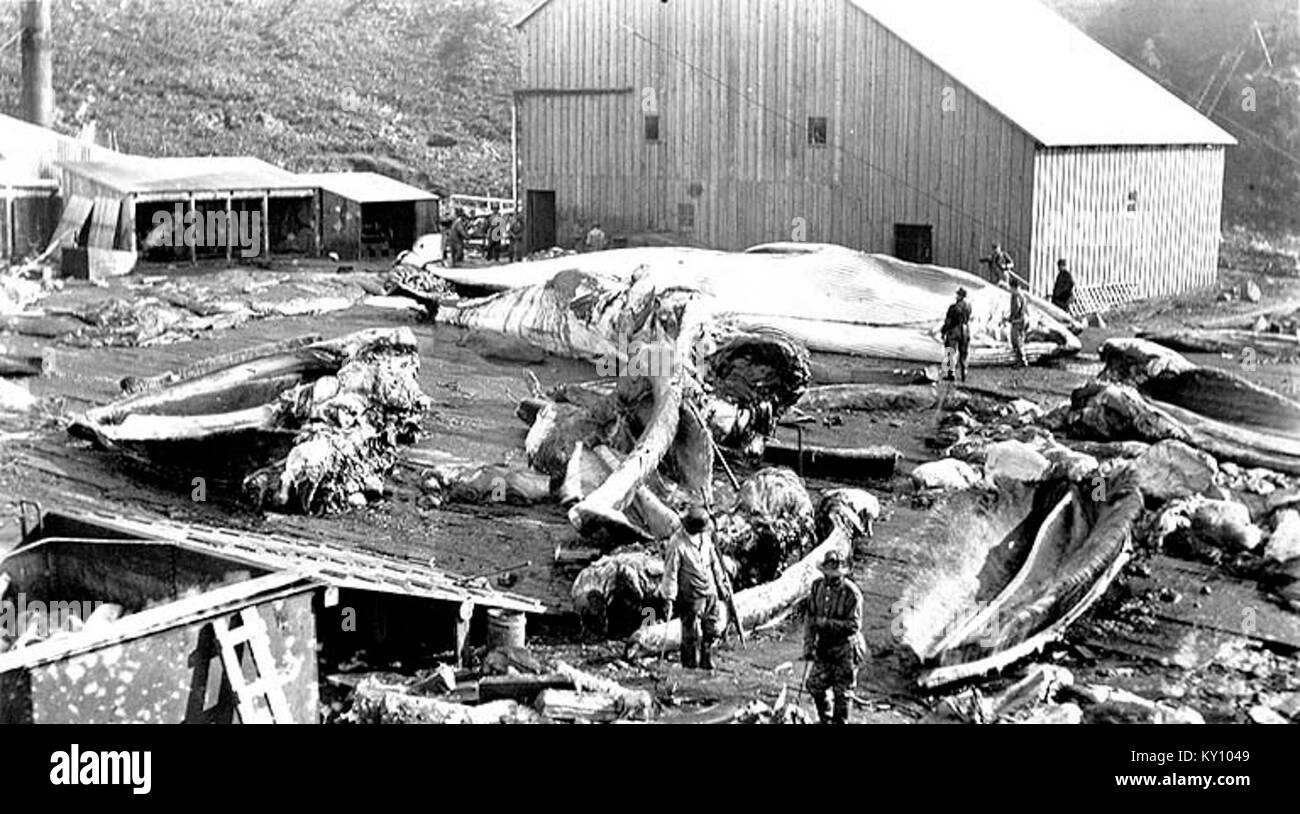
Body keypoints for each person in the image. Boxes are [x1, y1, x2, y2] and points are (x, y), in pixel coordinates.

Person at [660, 505, 732, 670]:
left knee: (712, 628)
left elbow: (714, 562)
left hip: (710, 590)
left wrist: (721, 583)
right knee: (690, 634)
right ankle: (690, 665)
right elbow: (671, 572)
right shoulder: (677, 543)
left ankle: (707, 658)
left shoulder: (706, 538)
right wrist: (669, 598)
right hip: (691, 594)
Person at [802, 550, 865, 725]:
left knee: (842, 694)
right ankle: (825, 719)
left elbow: (854, 625)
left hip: (846, 650)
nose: (831, 580)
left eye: (835, 577)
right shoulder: (816, 588)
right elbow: (810, 619)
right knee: (814, 684)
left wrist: (828, 624)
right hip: (824, 648)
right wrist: (808, 646)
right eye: (828, 576)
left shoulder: (852, 594)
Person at [941, 287, 972, 382]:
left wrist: (943, 331)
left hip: (954, 330)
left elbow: (948, 321)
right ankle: (964, 373)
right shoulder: (968, 306)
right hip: (965, 330)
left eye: (958, 294)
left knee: (950, 351)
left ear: (960, 296)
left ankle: (951, 373)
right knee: (963, 353)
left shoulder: (953, 307)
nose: (956, 296)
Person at [1007, 276, 1029, 368]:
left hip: (1018, 321)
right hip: (1022, 319)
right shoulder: (1021, 295)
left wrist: (1011, 318)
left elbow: (1016, 310)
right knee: (1018, 339)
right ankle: (1020, 359)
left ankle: (1022, 360)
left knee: (1016, 340)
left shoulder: (1016, 296)